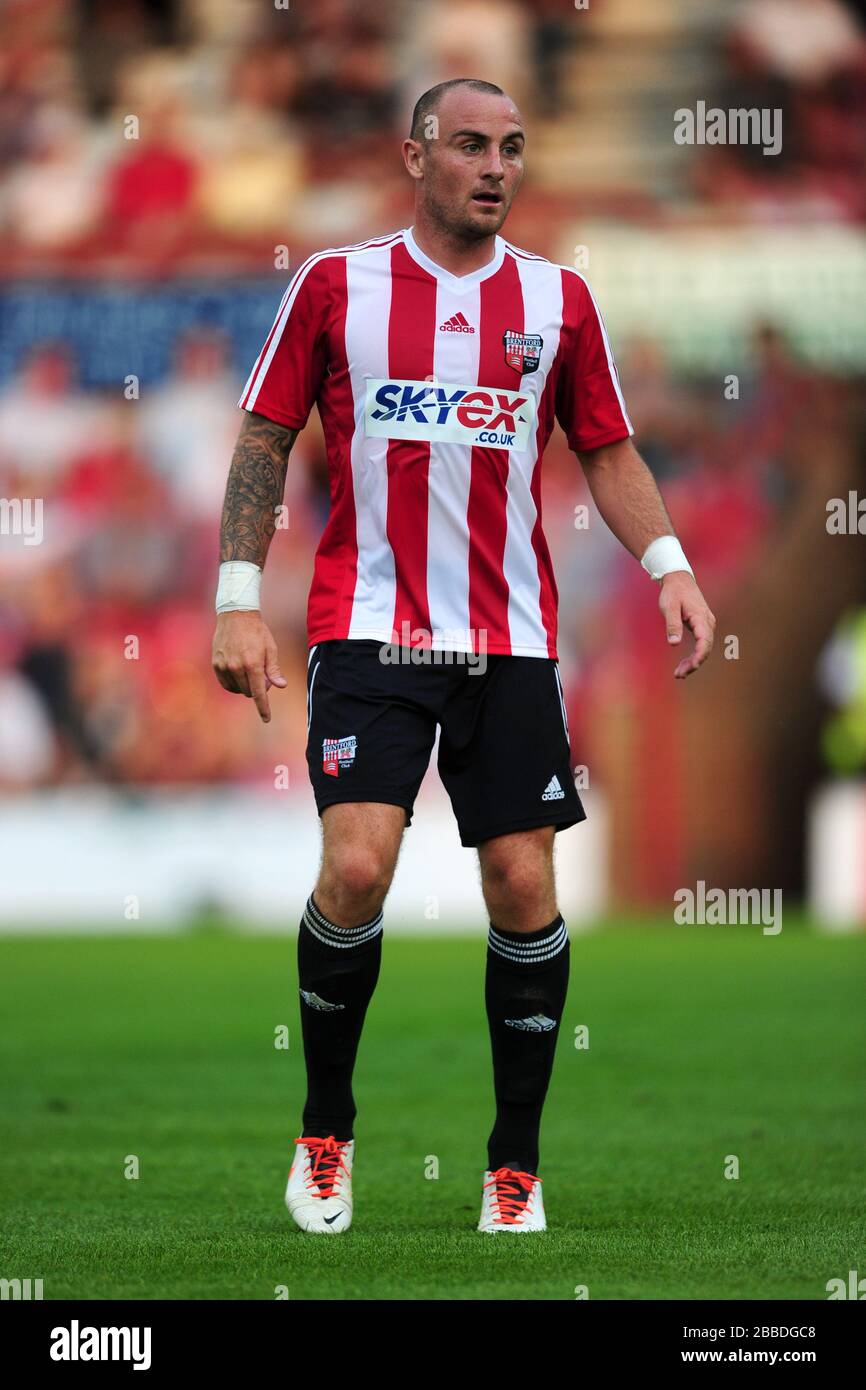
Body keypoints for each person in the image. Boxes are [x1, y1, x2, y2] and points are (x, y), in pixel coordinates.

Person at [211, 78, 715, 1235]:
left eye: (514, 149)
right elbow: (263, 436)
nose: (496, 166)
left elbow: (607, 448)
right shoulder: (337, 285)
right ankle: (326, 1132)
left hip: (508, 638)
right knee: (354, 868)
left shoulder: (557, 299)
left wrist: (670, 564)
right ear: (415, 155)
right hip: (367, 628)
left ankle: (514, 1166)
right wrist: (239, 599)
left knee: (525, 886)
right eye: (472, 145)